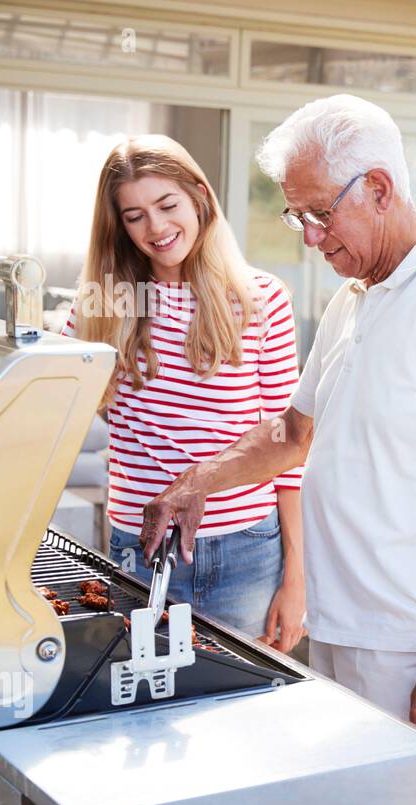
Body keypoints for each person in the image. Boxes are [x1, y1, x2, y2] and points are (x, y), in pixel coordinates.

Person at [139, 95, 416, 766]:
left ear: (381, 189)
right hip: (341, 631)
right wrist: (196, 484)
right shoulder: (355, 294)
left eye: (321, 213)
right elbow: (293, 433)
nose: (309, 236)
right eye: (299, 215)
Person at [64, 134, 306, 648]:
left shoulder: (262, 299)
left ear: (199, 195)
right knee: (141, 702)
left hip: (245, 548)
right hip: (138, 547)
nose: (155, 227)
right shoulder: (101, 304)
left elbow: (288, 451)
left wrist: (297, 578)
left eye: (167, 204)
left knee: (236, 710)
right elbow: (49, 406)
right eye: (134, 215)